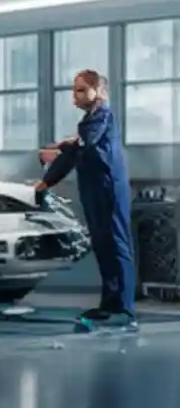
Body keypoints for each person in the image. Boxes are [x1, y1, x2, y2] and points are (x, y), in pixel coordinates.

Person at [35, 69, 137, 327]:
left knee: (116, 245)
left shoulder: (101, 115)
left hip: (108, 189)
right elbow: (77, 148)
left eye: (81, 90)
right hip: (95, 190)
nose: (75, 96)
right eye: (74, 89)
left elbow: (81, 146)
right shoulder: (90, 121)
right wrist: (61, 149)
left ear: (98, 91)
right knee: (103, 245)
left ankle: (124, 309)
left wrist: (47, 178)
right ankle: (110, 304)